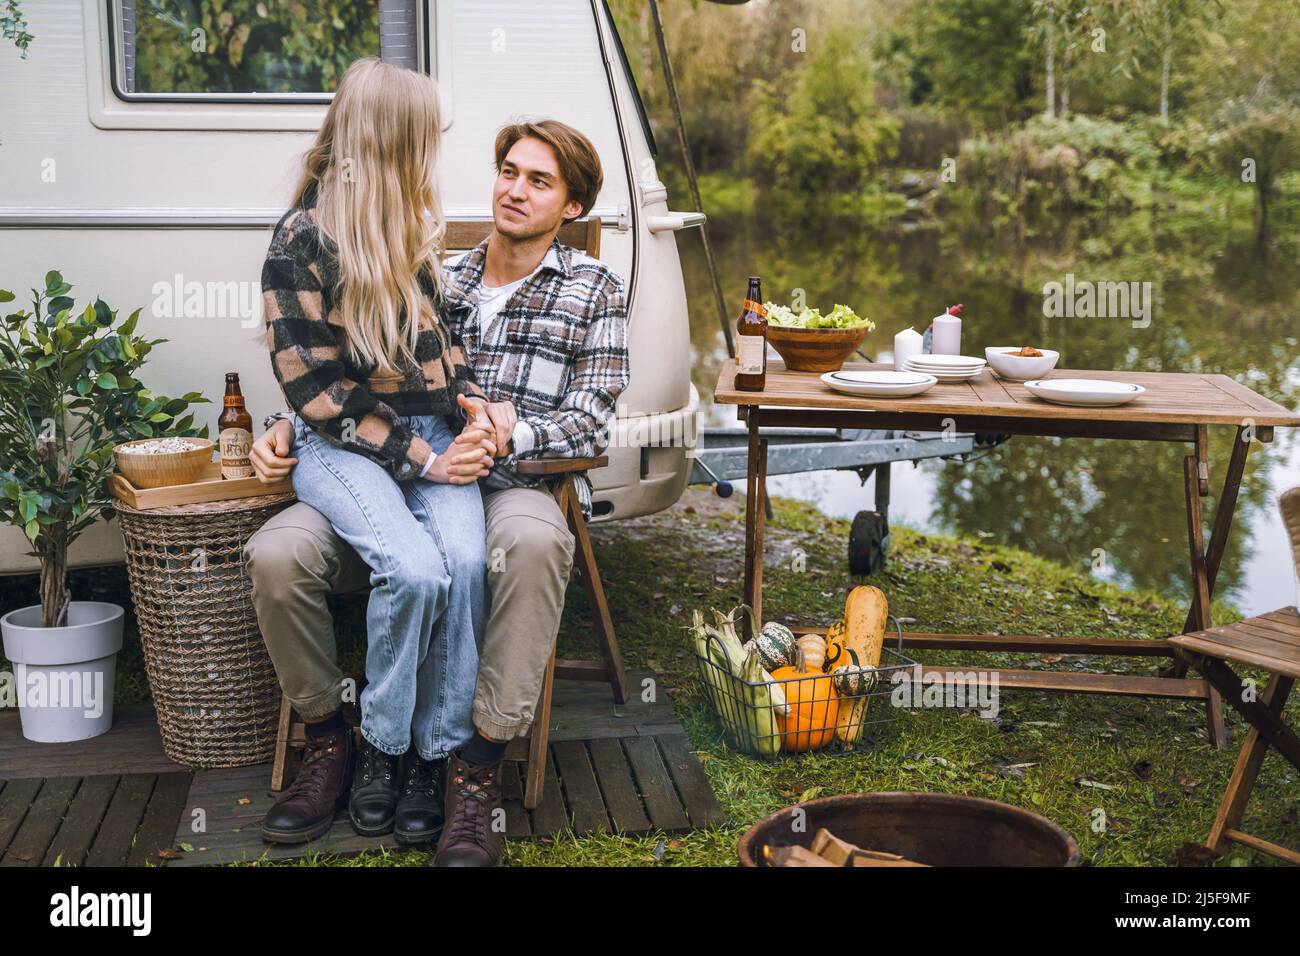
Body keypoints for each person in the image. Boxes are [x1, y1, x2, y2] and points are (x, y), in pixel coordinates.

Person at [248, 118, 629, 866]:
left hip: (515, 480)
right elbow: (341, 370)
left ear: (573, 207)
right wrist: (285, 427)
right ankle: (331, 737)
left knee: (530, 543)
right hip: (397, 470)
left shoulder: (594, 290)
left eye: (540, 181)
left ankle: (473, 762)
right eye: (509, 171)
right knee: (277, 553)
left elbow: (594, 424)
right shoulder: (434, 270)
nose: (515, 190)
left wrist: (504, 437)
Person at [256, 58, 500, 847]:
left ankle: (435, 754)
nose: (432, 154)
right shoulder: (300, 241)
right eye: (423, 139)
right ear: (392, 142)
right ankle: (380, 747)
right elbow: (318, 392)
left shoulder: (410, 235)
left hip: (428, 437)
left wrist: (470, 417)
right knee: (418, 568)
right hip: (343, 446)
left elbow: (443, 351)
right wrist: (422, 460)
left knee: (464, 565)